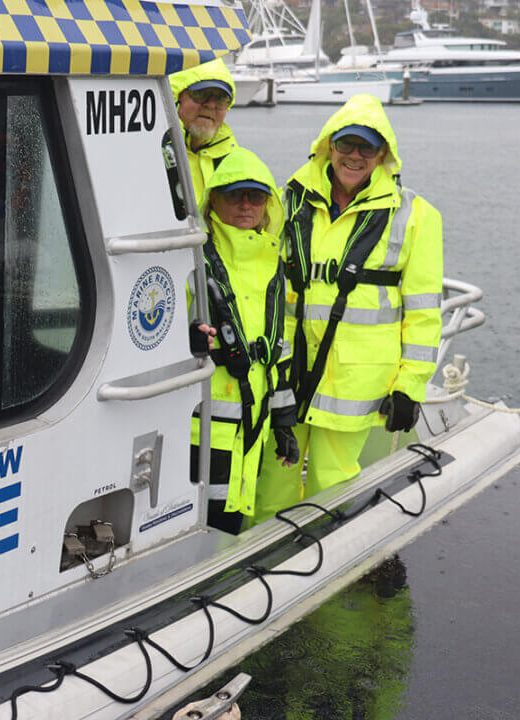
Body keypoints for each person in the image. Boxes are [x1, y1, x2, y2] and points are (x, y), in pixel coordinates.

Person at [255, 94, 443, 523]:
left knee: (332, 487)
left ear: (383, 155)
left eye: (367, 148)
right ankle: (264, 560)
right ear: (329, 146)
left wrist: (410, 386)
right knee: (271, 486)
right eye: (346, 144)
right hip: (288, 371)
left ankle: (324, 558)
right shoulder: (288, 201)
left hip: (354, 384)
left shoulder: (416, 216)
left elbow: (424, 312)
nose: (355, 156)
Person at [191, 148, 299, 533]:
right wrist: (188, 339)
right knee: (193, 527)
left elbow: (277, 351)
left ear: (268, 204)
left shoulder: (273, 264)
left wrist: (283, 422)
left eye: (256, 196)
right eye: (235, 194)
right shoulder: (190, 258)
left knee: (230, 523)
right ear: (213, 202)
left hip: (252, 429)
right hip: (199, 432)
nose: (246, 204)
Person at [168, 59, 238, 211]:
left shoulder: (234, 160)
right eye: (200, 94)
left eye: (221, 98)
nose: (211, 104)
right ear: (175, 98)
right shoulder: (155, 152)